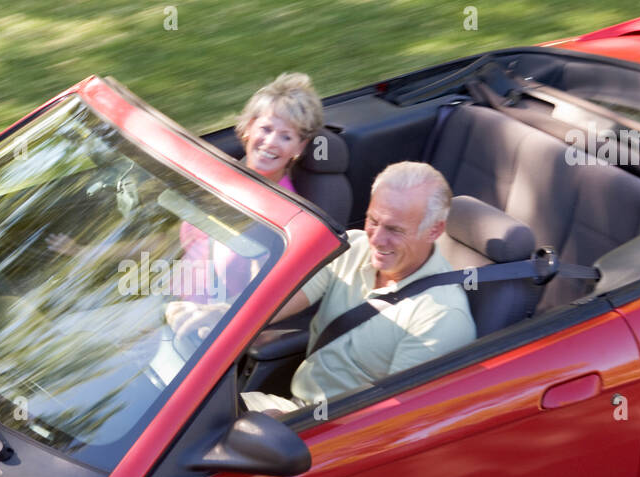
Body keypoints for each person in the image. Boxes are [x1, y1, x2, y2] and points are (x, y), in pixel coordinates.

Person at [222, 161, 477, 414]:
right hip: (292, 409)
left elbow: (392, 422)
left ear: (434, 230)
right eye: (373, 220)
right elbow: (274, 302)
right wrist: (220, 317)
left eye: (394, 230)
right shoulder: (354, 247)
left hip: (334, 435)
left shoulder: (442, 318)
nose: (376, 239)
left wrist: (288, 426)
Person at [170, 72, 324, 308]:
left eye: (286, 136)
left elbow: (259, 298)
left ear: (299, 147)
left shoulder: (285, 215)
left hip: (213, 322)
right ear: (248, 128)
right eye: (266, 128)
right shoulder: (221, 180)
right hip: (176, 306)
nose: (271, 142)